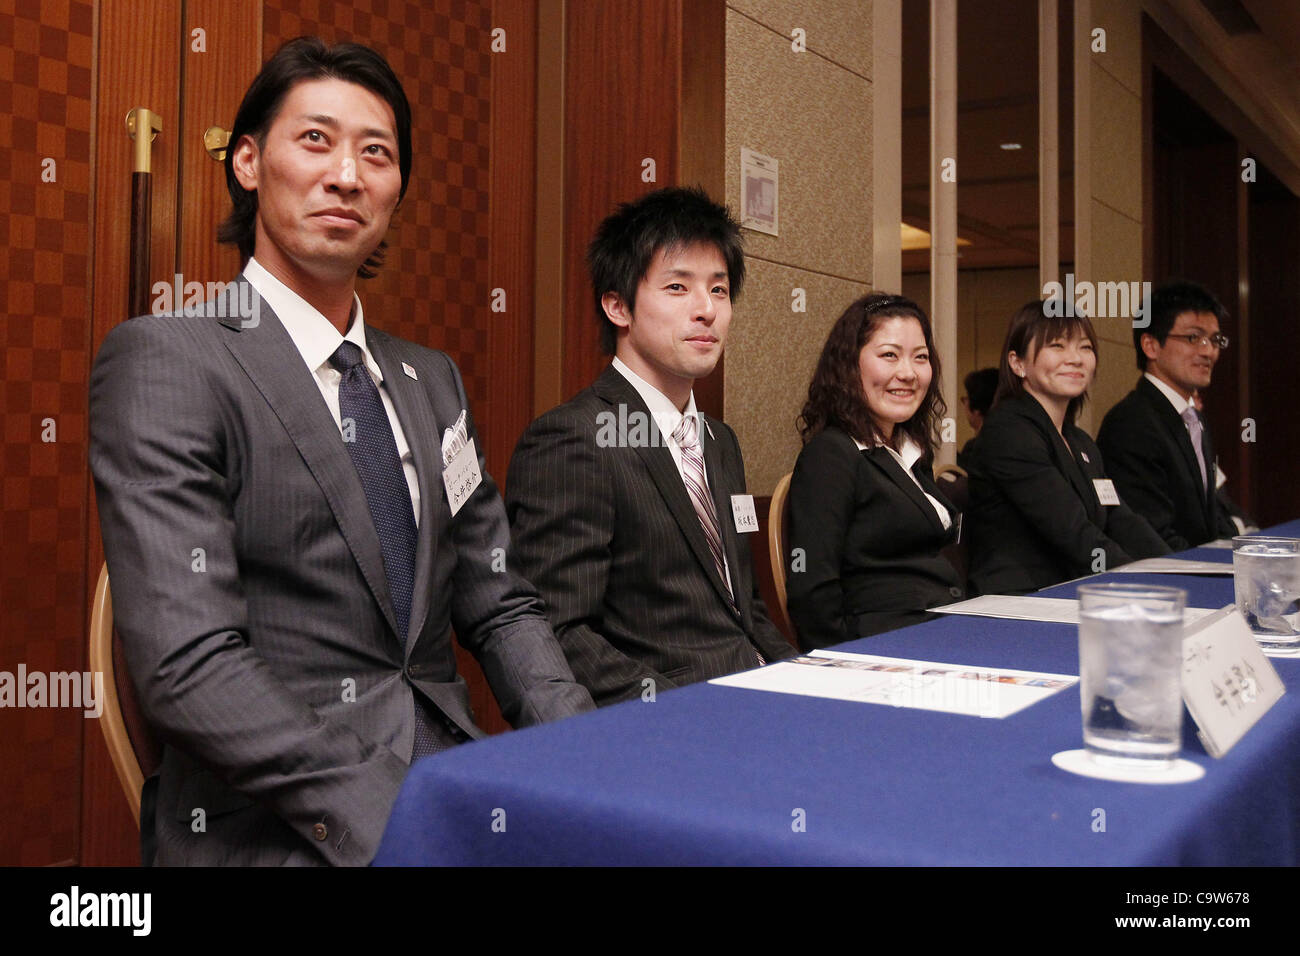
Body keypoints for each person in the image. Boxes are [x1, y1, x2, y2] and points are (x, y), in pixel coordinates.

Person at [88, 38, 593, 866]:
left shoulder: (431, 380)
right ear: (248, 162)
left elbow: (499, 603)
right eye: (315, 140)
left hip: (454, 774)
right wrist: (402, 815)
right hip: (282, 824)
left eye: (377, 153)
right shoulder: (170, 359)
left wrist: (589, 757)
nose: (348, 175)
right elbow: (188, 666)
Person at [505, 186, 795, 707]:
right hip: (672, 718)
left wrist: (801, 676)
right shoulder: (576, 437)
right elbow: (558, 632)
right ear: (618, 306)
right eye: (678, 288)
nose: (706, 310)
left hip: (761, 697)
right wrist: (679, 711)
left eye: (720, 290)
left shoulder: (719, 440)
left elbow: (744, 609)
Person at [785, 293, 964, 648]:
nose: (908, 373)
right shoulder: (832, 455)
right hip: (885, 647)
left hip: (942, 627)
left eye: (921, 357)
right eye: (889, 355)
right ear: (849, 365)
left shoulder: (910, 452)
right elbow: (811, 590)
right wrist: (845, 667)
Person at [966, 300, 1168, 595]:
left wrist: (1173, 566)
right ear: (1018, 363)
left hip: (1073, 591)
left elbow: (1120, 518)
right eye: (1058, 346)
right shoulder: (1008, 431)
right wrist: (1148, 585)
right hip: (1020, 601)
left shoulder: (1080, 441)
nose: (1075, 358)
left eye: (1085, 347)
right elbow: (1072, 530)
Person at [1097, 280, 1252, 549]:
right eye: (1193, 338)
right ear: (1151, 345)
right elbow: (1148, 532)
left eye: (1215, 340)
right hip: (1166, 581)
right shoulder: (1131, 423)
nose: (1208, 351)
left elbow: (1209, 517)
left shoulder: (1193, 418)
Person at [956, 367, 998, 471]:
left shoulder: (974, 450)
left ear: (976, 409)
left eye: (965, 399)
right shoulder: (1016, 443)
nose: (964, 404)